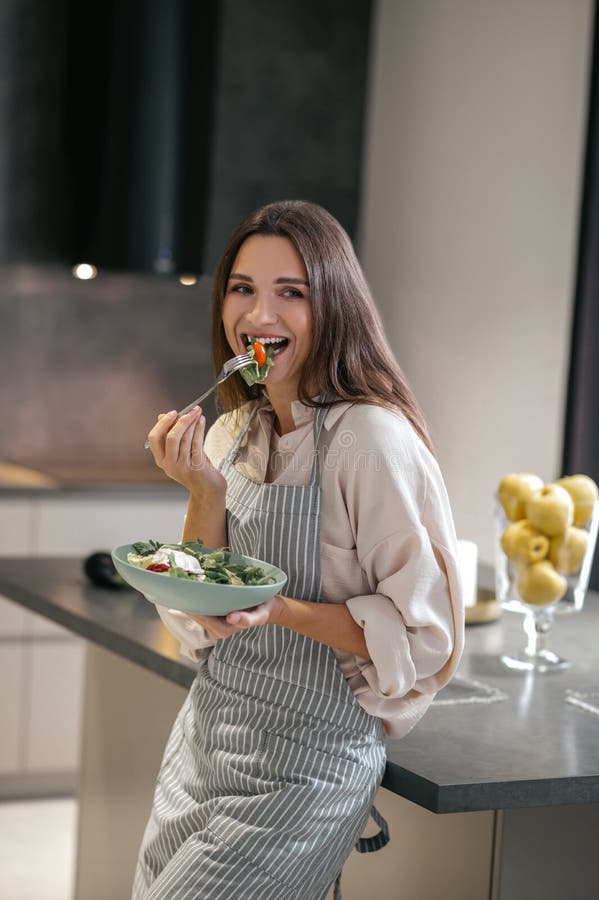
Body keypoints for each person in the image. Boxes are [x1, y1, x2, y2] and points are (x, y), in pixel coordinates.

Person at [135, 200, 464, 900]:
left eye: (292, 293)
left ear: (335, 306)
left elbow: (418, 634)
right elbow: (204, 616)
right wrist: (203, 488)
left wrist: (279, 609)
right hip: (205, 743)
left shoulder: (370, 440)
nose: (260, 315)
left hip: (305, 767)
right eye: (243, 289)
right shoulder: (233, 431)